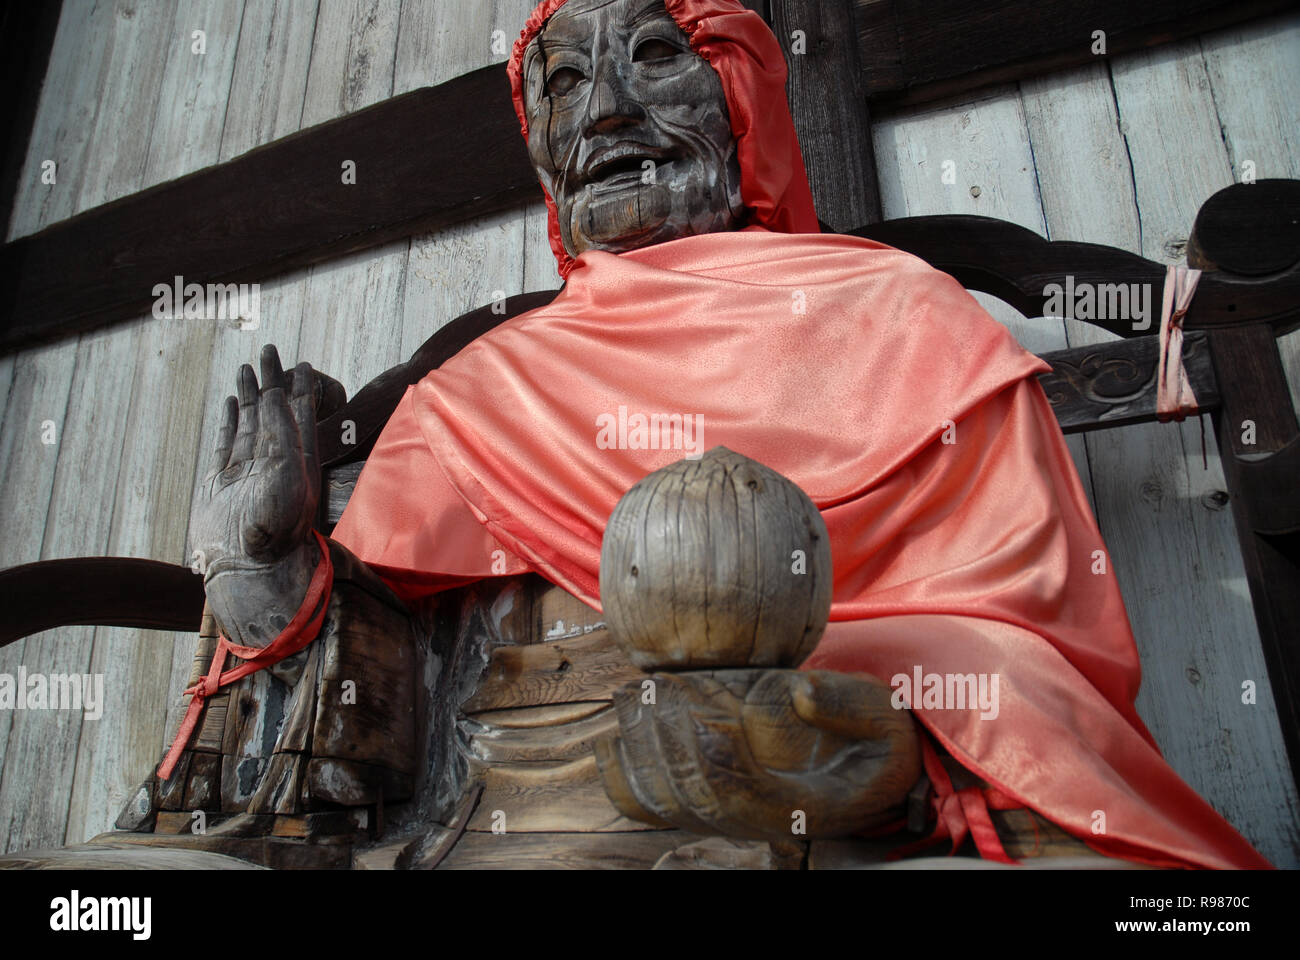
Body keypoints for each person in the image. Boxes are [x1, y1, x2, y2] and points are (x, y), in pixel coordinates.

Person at [192, 0, 1270, 868]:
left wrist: (831, 731)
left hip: (819, 798)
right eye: (563, 82)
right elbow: (377, 714)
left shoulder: (899, 313)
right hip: (508, 821)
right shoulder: (472, 393)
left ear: (738, 96)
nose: (606, 110)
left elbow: (1023, 647)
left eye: (654, 54)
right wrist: (263, 574)